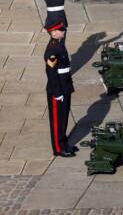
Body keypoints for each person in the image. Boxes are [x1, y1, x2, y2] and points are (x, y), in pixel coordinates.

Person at [44, 12, 76, 157]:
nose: (64, 31)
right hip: (58, 89)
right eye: (61, 30)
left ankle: (63, 143)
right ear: (54, 32)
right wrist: (57, 94)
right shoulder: (52, 49)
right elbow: (51, 73)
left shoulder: (59, 44)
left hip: (65, 85)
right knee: (57, 120)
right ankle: (58, 148)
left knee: (64, 117)